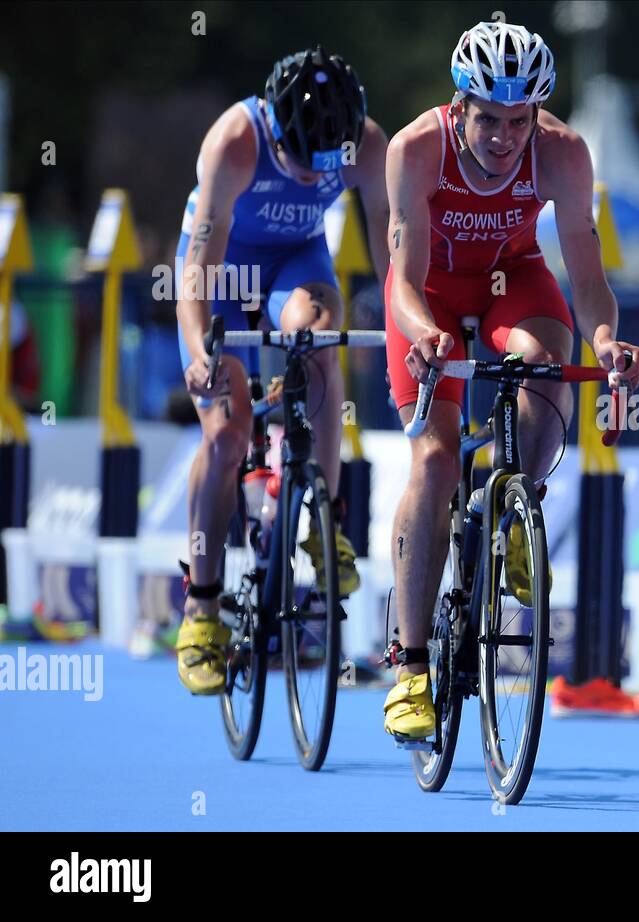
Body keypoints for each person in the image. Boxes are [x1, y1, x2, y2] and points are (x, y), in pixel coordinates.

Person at [381, 21, 639, 736]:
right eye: (489, 120)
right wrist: (424, 333)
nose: (504, 138)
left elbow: (587, 280)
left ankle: (515, 499)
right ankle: (408, 667)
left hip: (511, 279)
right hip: (428, 297)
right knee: (433, 463)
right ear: (460, 106)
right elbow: (401, 277)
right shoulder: (415, 150)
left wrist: (606, 340)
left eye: (519, 121)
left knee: (545, 359)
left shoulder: (562, 153)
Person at [174, 46, 390, 694]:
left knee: (322, 341)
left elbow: (388, 242)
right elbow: (199, 268)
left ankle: (322, 515)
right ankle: (201, 605)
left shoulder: (369, 144)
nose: (310, 179)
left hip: (297, 259)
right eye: (302, 162)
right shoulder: (235, 141)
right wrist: (201, 352)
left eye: (326, 167)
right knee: (227, 431)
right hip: (226, 267)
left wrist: (412, 328)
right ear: (275, 130)